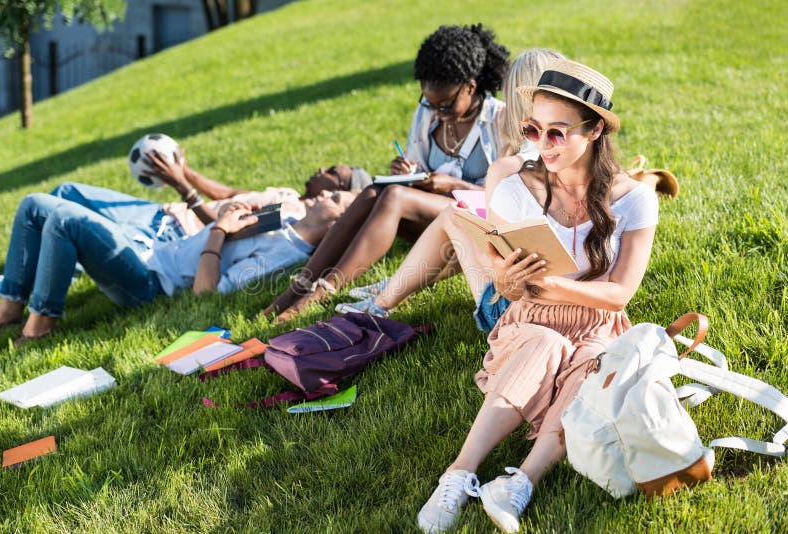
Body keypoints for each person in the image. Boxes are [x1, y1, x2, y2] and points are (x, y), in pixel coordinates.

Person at [416, 59, 659, 533]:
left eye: (557, 133)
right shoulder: (514, 187)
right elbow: (506, 281)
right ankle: (458, 473)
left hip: (597, 320)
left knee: (594, 365)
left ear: (593, 132)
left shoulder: (634, 198)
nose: (542, 145)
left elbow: (620, 293)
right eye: (533, 130)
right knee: (544, 346)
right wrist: (506, 282)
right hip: (529, 318)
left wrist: (549, 284)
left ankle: (520, 483)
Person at [263, 24, 510, 321]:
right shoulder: (426, 114)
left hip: (473, 221)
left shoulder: (500, 120)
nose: (436, 112)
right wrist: (410, 171)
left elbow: (510, 194)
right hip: (429, 216)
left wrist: (452, 184)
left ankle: (321, 293)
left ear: (470, 87)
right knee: (372, 192)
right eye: (429, 103)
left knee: (393, 196)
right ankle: (299, 287)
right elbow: (418, 170)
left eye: (444, 106)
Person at [336, 49, 566, 328]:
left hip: (516, 314)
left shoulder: (515, 164)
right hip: (573, 301)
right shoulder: (578, 149)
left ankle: (383, 300)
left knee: (457, 217)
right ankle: (389, 291)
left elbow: (498, 249)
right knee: (456, 217)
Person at [0, 188, 354, 344]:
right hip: (154, 250)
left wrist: (220, 233)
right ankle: (7, 314)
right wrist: (225, 218)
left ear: (338, 225)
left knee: (63, 221)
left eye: (335, 198)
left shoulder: (284, 257)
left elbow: (207, 294)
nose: (324, 192)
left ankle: (39, 327)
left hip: (147, 281)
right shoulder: (287, 217)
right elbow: (219, 226)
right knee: (34, 205)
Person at [49, 151, 370, 243]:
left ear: (339, 191)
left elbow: (228, 228)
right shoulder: (289, 195)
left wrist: (181, 186)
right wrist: (185, 171)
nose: (321, 170)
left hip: (167, 231)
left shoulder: (291, 213)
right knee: (64, 197)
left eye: (331, 171)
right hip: (165, 212)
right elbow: (228, 195)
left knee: (63, 209)